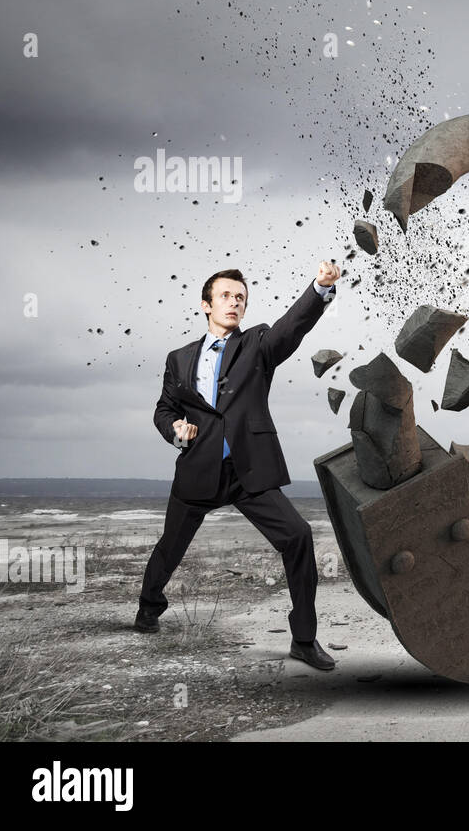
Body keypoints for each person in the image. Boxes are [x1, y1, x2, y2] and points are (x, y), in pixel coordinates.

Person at [136, 262, 341, 671]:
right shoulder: (178, 359)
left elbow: (291, 327)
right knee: (170, 547)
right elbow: (164, 408)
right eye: (227, 296)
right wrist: (174, 429)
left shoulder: (258, 345)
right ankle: (148, 607)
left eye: (241, 298)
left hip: (249, 471)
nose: (235, 302)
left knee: (298, 536)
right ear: (205, 305)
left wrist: (318, 288)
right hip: (198, 470)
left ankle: (303, 638)